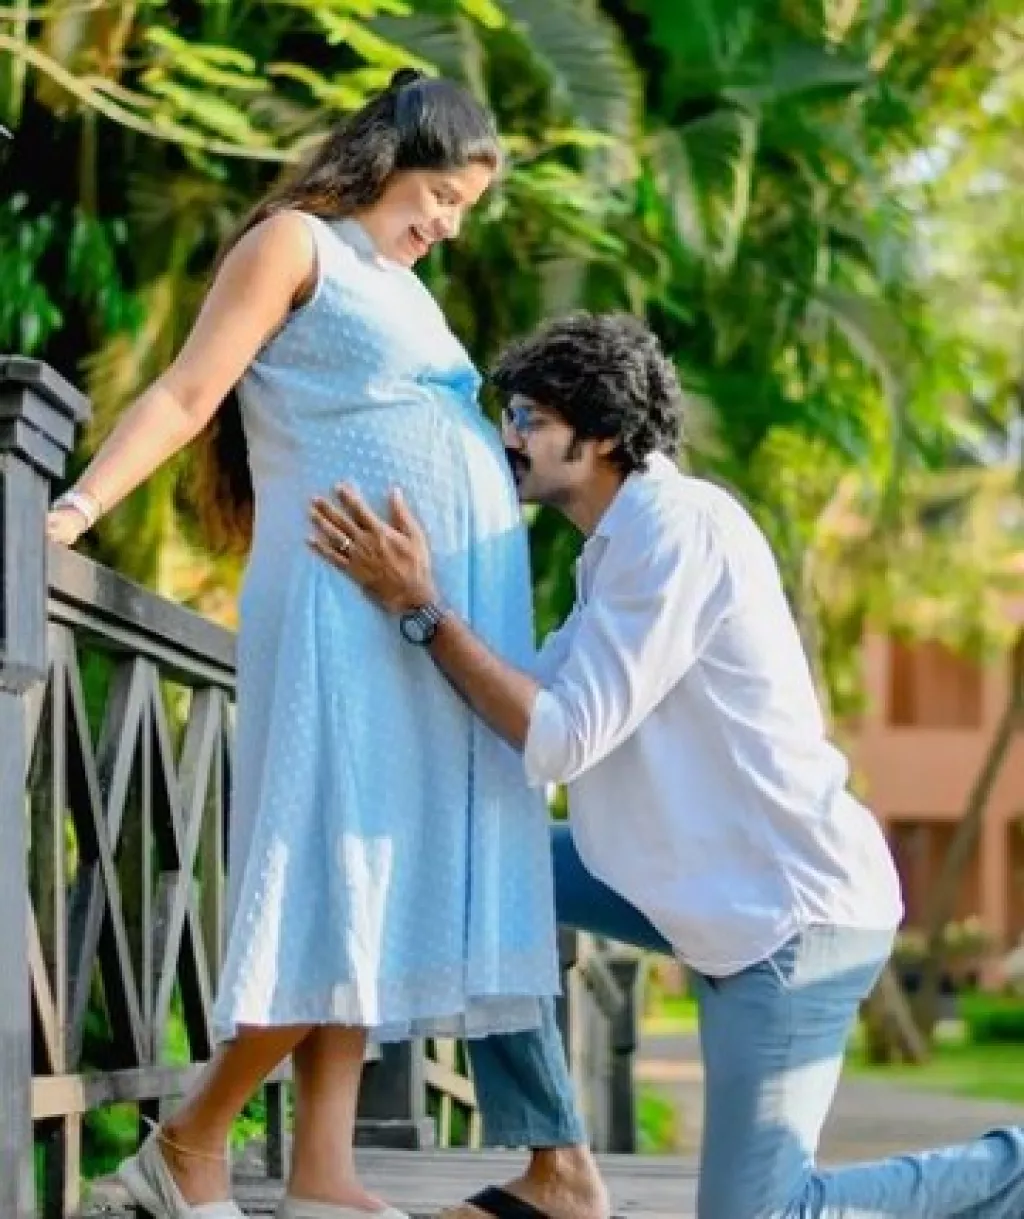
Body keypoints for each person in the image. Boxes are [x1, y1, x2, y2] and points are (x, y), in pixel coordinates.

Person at [309, 311, 1024, 1219]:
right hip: (683, 883)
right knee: (479, 863)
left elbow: (558, 735)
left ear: (601, 432)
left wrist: (421, 610)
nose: (507, 437)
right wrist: (413, 611)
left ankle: (1014, 1170)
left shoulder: (674, 531)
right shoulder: (616, 548)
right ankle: (557, 1168)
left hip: (788, 920)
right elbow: (521, 697)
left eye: (529, 416)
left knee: (758, 1216)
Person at [45, 70, 560, 1219]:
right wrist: (72, 510)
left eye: (465, 209)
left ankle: (324, 1166)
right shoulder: (295, 245)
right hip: (339, 615)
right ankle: (189, 1143)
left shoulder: (409, 291)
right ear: (385, 158)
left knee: (367, 879)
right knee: (330, 872)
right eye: (440, 193)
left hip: (406, 626)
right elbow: (187, 394)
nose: (446, 223)